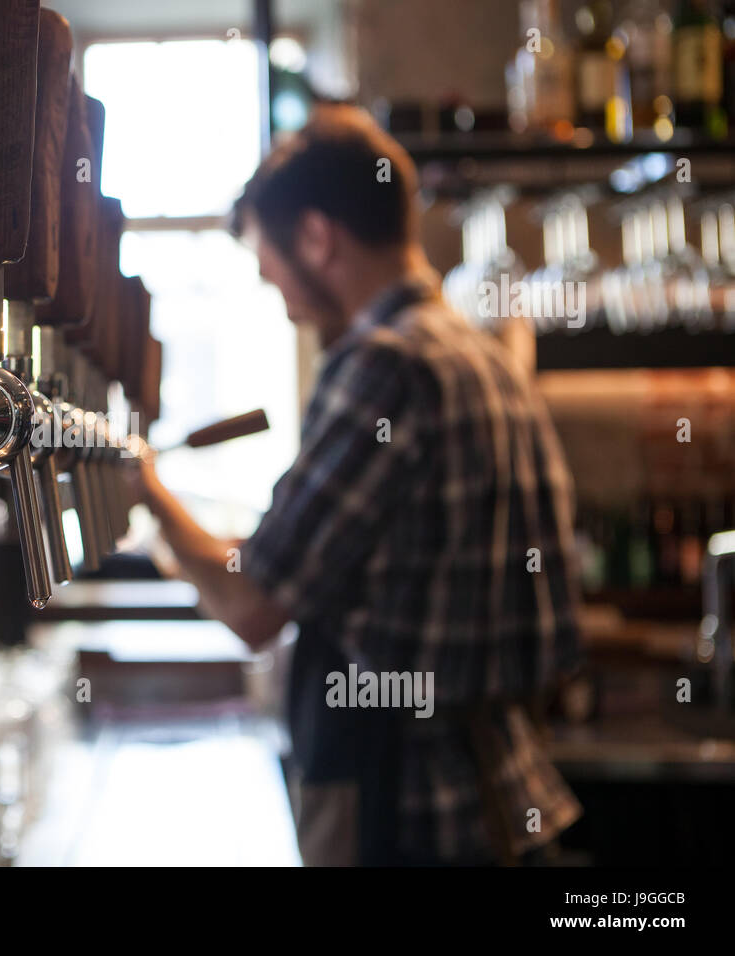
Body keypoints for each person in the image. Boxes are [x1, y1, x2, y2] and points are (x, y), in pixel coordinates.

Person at [128, 104, 583, 865]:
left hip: (411, 814)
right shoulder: (478, 354)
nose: (284, 301)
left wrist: (146, 489)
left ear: (317, 237)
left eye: (273, 272)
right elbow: (339, 562)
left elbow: (251, 603)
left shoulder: (384, 364)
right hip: (502, 791)